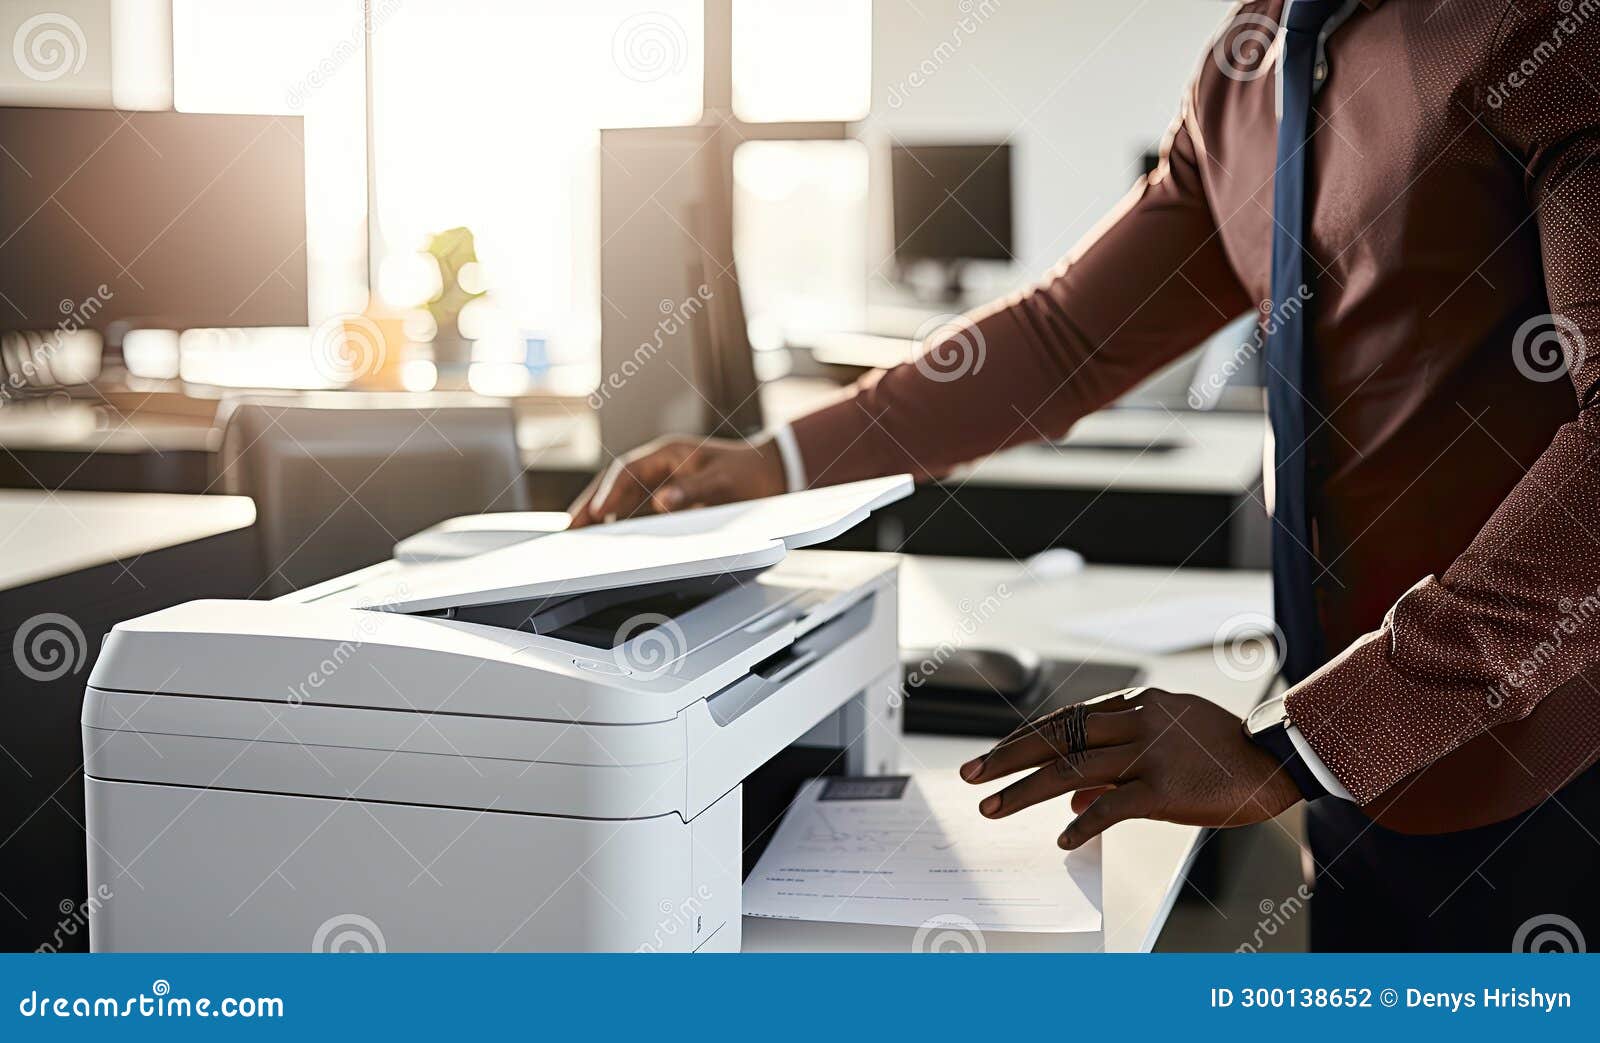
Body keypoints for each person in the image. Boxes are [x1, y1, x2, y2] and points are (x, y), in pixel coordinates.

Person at [570, 0, 1600, 952]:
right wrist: (777, 460)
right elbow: (1064, 338)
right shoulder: (1251, 67)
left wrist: (1309, 744)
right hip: (1350, 771)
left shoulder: (1539, 29)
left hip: (1543, 768)